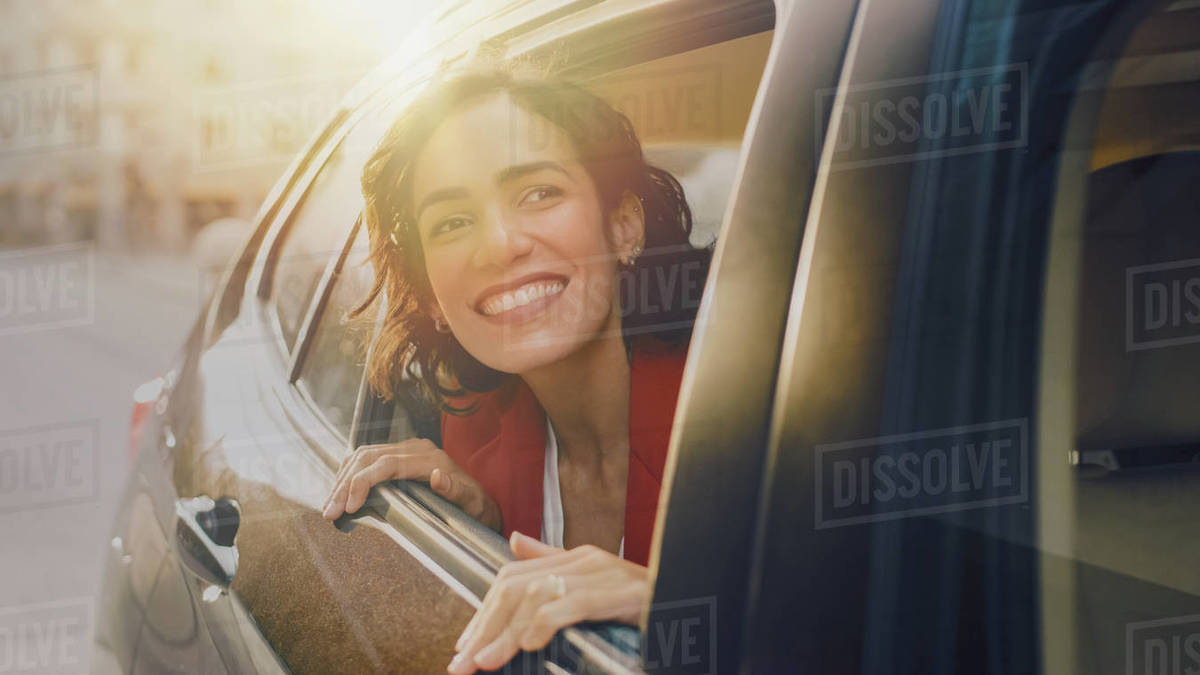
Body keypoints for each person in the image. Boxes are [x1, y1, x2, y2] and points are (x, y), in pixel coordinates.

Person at [320, 64, 711, 674]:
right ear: (431, 299)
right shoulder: (471, 438)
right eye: (452, 221)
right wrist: (486, 522)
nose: (499, 244)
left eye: (538, 193)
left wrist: (680, 609)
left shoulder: (757, 424)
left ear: (624, 226)